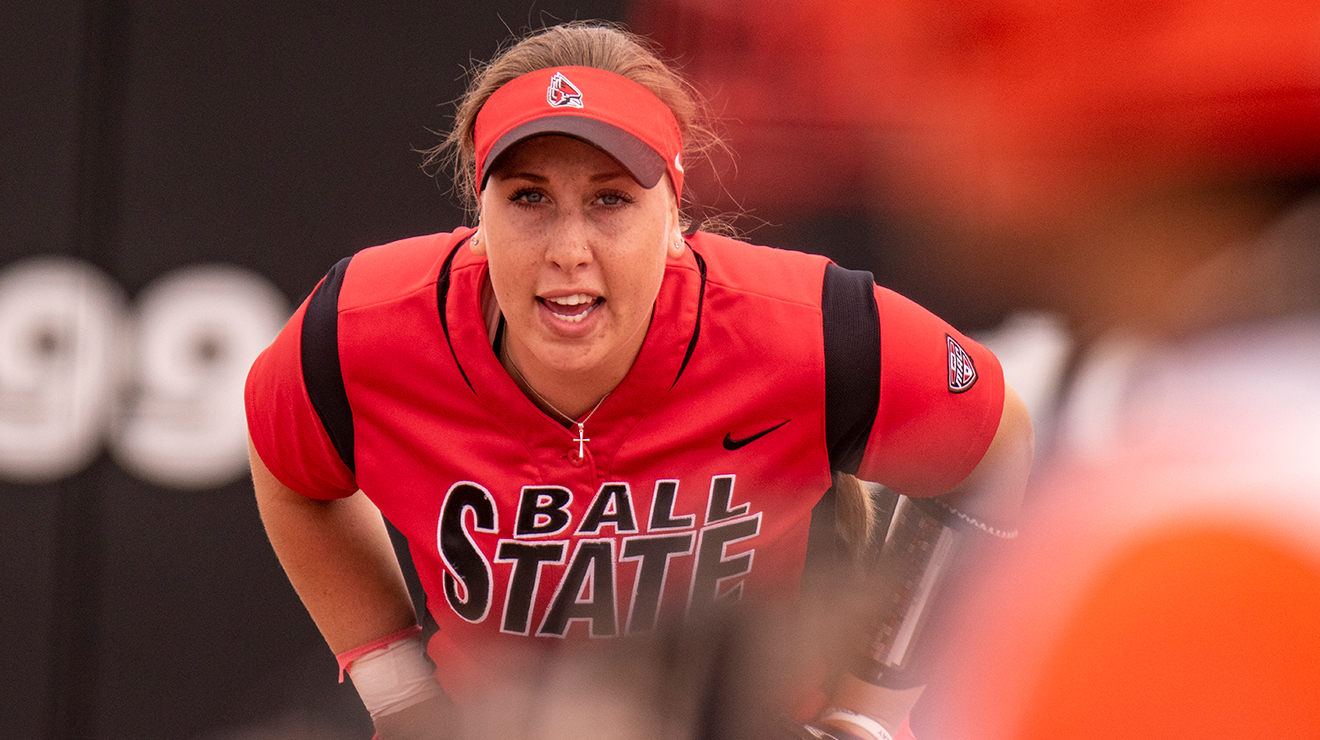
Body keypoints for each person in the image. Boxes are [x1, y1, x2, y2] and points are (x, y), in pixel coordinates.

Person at [244, 21, 1033, 740]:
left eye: (610, 200)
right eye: (528, 199)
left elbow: (995, 447)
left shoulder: (809, 326)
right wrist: (400, 697)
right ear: (478, 215)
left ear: (674, 219)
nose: (568, 248)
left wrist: (871, 709)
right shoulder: (366, 326)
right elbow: (286, 465)